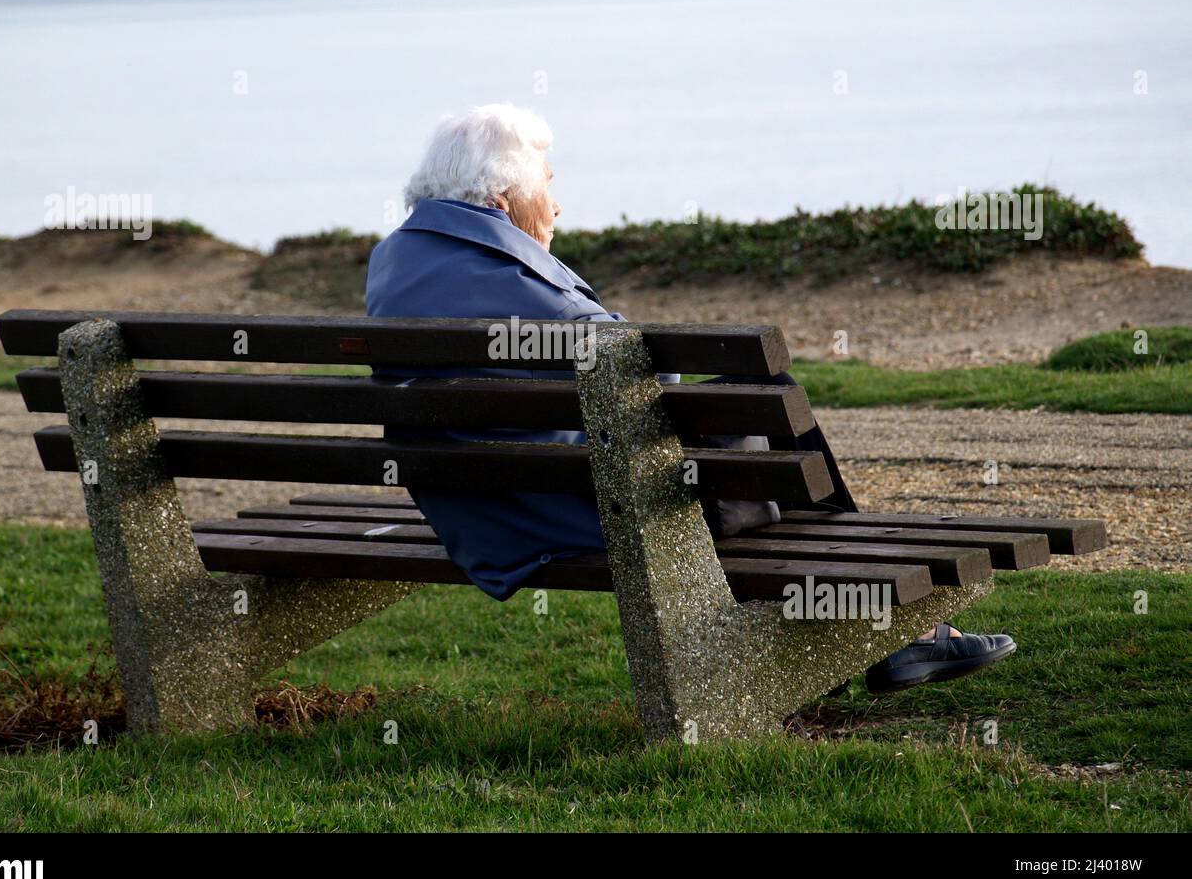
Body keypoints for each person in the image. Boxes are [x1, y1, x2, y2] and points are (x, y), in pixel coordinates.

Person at [365, 103, 1015, 692]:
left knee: (748, 433)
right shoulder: (512, 279)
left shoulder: (394, 262)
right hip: (584, 515)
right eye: (549, 184)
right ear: (503, 199)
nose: (557, 205)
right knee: (765, 391)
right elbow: (645, 377)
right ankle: (892, 629)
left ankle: (863, 635)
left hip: (477, 514)